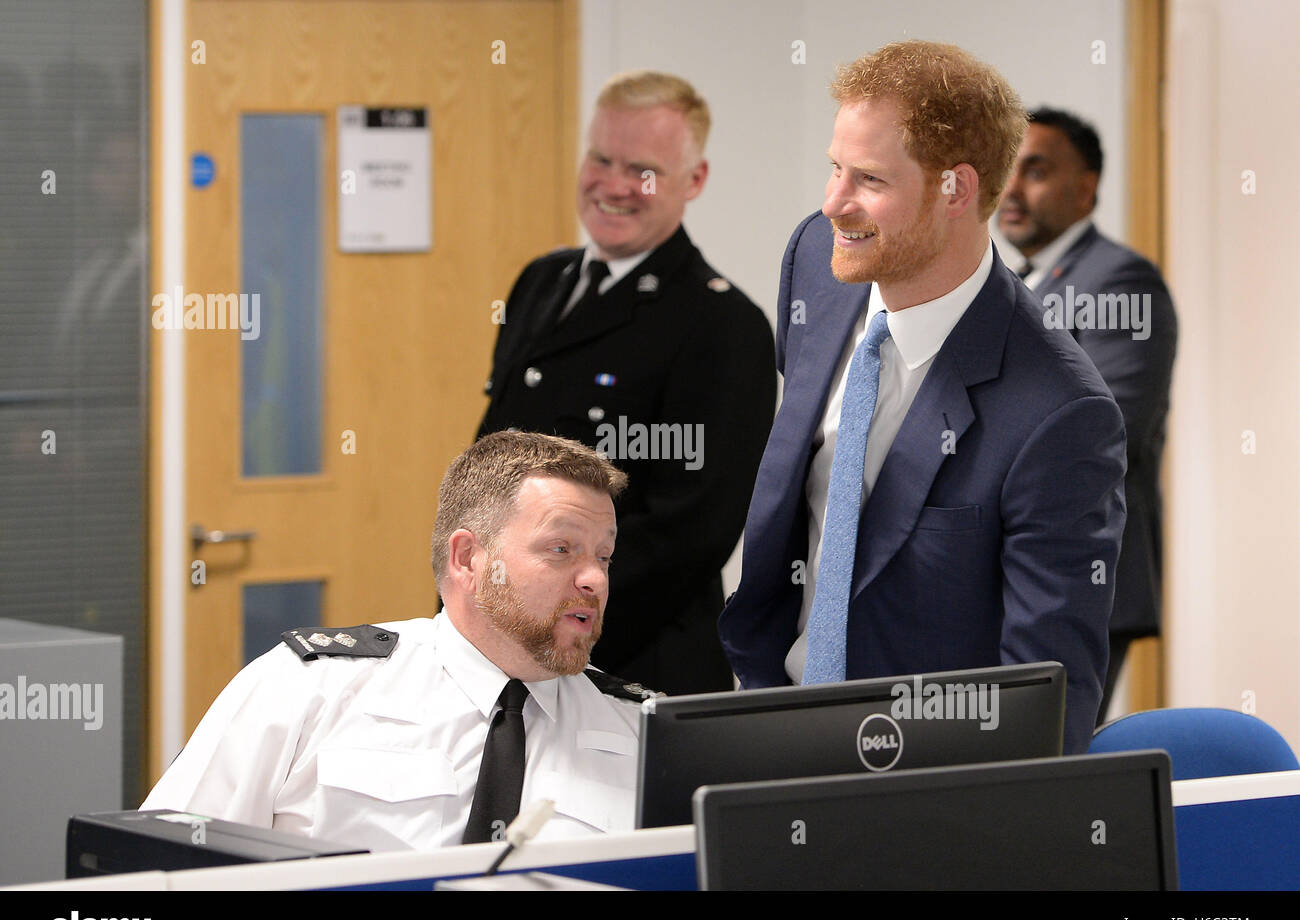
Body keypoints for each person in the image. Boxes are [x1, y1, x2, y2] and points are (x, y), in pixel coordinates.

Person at [717, 41, 1127, 755]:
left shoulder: (1061, 414)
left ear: (956, 191)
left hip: (918, 785)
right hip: (767, 735)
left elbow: (1046, 703)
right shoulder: (818, 260)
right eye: (835, 167)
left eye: (869, 179)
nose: (834, 203)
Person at [142, 431, 650, 851]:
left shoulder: (637, 730)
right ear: (468, 559)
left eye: (603, 557)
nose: (595, 581)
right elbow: (154, 868)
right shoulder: (312, 687)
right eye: (561, 549)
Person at [478, 71, 776, 696]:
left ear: (694, 181)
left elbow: (689, 534)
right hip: (497, 648)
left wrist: (538, 615)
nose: (613, 185)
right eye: (601, 158)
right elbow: (493, 465)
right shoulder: (542, 281)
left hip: (627, 666)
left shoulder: (722, 324)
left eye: (643, 170)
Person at [998, 107, 1177, 724]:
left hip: (1082, 576)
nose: (1013, 189)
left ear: (1086, 187)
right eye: (1008, 169)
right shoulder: (1012, 284)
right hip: (1014, 574)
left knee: (1051, 774)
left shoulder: (1120, 281)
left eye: (1037, 170)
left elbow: (1107, 430)